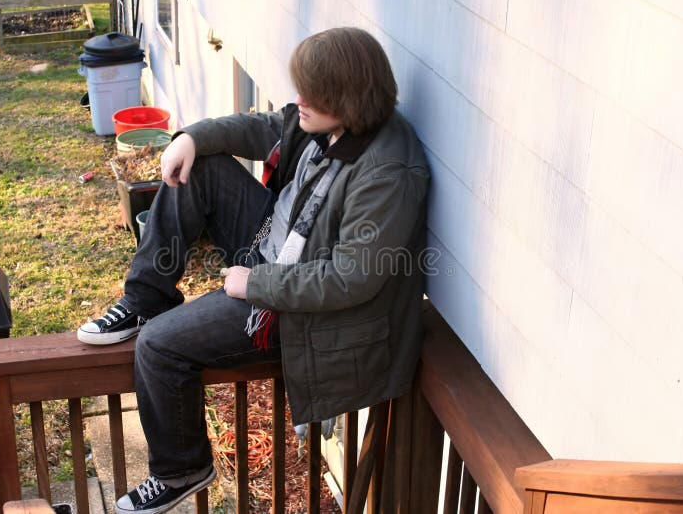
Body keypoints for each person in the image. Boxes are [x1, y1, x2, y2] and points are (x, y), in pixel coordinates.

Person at [78, 27, 430, 513]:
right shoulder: (328, 123)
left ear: (349, 97)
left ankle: (182, 468)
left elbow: (353, 277)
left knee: (159, 346)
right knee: (196, 169)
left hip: (299, 306)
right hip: (272, 243)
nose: (299, 99)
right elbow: (262, 126)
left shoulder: (387, 172)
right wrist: (190, 138)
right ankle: (143, 299)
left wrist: (256, 283)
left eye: (313, 92)